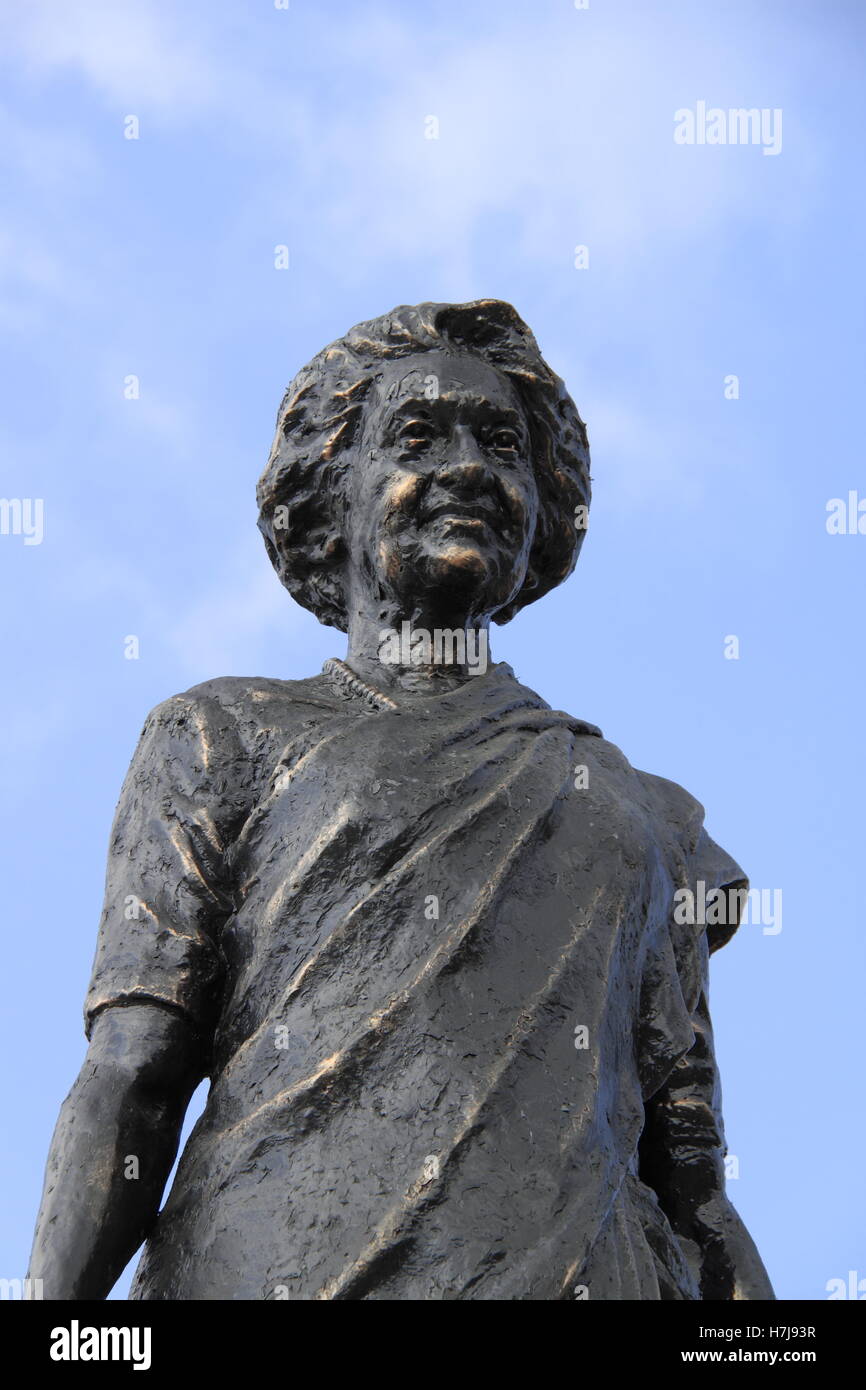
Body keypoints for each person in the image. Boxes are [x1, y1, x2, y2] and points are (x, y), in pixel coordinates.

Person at [29, 299, 774, 1300]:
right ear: (331, 498)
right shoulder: (220, 736)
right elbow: (133, 1077)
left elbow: (692, 1188)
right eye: (419, 437)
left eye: (500, 444)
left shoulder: (649, 819)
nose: (470, 467)